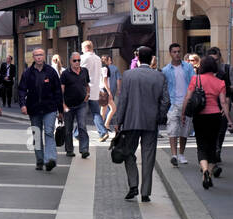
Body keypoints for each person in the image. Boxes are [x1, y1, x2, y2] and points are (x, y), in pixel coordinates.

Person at [109, 46, 168, 201]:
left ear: (138, 58)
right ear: (152, 59)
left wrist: (118, 121)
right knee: (148, 156)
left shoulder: (128, 75)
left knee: (128, 152)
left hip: (131, 120)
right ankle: (145, 192)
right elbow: (166, 100)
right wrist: (160, 116)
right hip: (151, 121)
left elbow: (123, 100)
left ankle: (133, 184)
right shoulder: (159, 76)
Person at [179, 53, 231, 190]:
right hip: (215, 116)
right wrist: (229, 120)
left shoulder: (196, 79)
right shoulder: (220, 82)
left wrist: (183, 113)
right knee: (212, 145)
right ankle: (209, 171)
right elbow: (223, 102)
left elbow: (187, 98)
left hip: (199, 116)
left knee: (201, 145)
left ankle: (205, 170)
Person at [19, 47, 62, 172]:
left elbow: (58, 91)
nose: (39, 57)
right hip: (33, 108)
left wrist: (60, 111)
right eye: (36, 55)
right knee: (37, 134)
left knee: (49, 132)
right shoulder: (27, 73)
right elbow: (22, 90)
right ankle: (39, 160)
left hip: (50, 108)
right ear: (33, 57)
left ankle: (50, 160)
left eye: (41, 55)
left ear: (44, 57)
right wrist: (23, 105)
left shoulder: (51, 71)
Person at [207, 46, 233, 177]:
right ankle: (213, 150)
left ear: (220, 58)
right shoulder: (205, 70)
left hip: (224, 101)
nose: (214, 62)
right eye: (212, 59)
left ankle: (217, 148)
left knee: (221, 127)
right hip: (210, 103)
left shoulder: (227, 69)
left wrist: (223, 88)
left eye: (216, 59)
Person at [162, 43, 195, 165]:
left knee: (184, 131)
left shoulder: (188, 67)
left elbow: (194, 82)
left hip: (187, 103)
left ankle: (181, 154)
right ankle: (174, 155)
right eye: (174, 52)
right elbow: (163, 87)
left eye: (178, 51)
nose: (177, 54)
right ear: (170, 53)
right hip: (173, 104)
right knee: (172, 130)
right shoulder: (165, 70)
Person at [60, 52, 91, 158]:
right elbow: (61, 91)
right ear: (70, 61)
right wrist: (63, 106)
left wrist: (87, 94)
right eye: (75, 60)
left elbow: (87, 85)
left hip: (81, 104)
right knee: (68, 129)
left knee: (82, 126)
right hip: (68, 106)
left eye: (79, 60)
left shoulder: (84, 71)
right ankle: (69, 150)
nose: (77, 62)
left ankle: (84, 149)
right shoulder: (65, 74)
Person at [80, 41, 107, 144]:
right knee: (95, 112)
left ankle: (77, 133)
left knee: (81, 114)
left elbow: (79, 72)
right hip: (95, 89)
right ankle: (103, 131)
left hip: (85, 90)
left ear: (86, 48)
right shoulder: (98, 58)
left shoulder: (84, 58)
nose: (81, 50)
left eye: (82, 48)